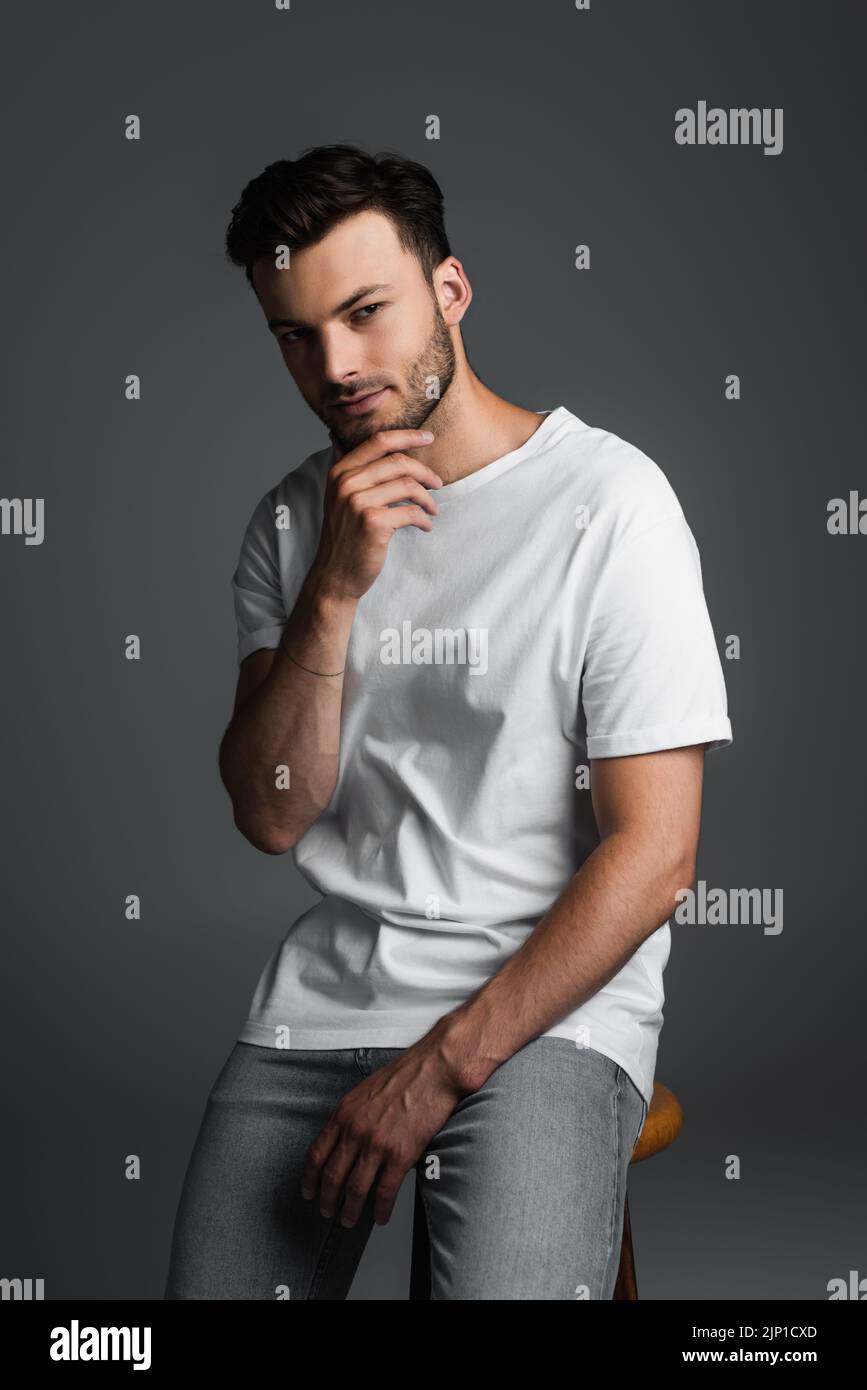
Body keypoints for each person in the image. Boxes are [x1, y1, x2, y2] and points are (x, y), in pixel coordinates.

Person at [163, 143, 733, 1300]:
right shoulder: (291, 525)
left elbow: (657, 855)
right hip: (325, 1012)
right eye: (294, 333)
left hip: (544, 1018)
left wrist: (437, 1071)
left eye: (366, 312)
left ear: (450, 292)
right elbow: (273, 816)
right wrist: (333, 590)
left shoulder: (610, 504)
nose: (334, 365)